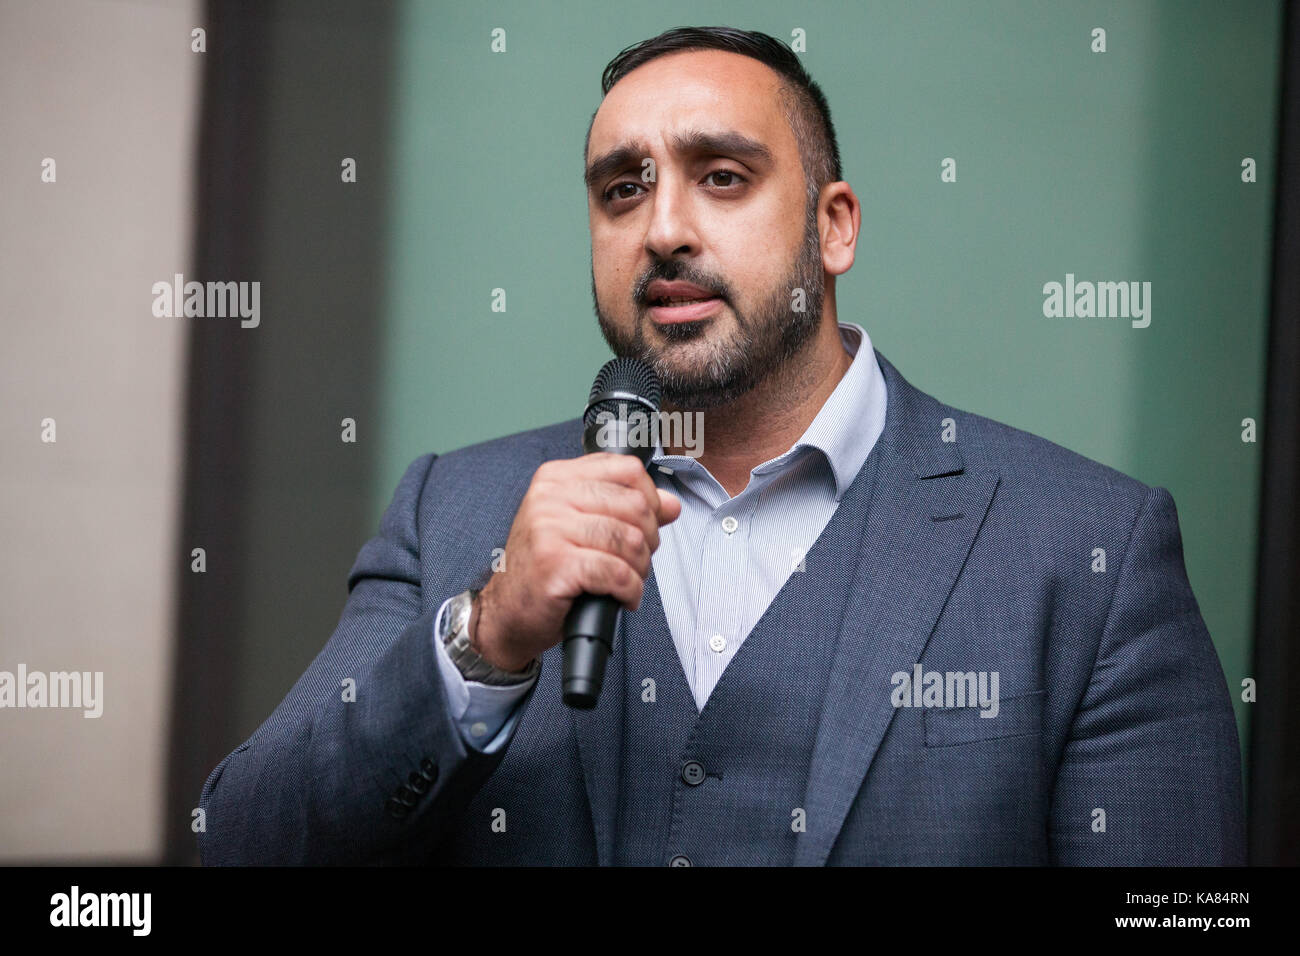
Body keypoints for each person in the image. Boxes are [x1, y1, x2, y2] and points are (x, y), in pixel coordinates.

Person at [197, 26, 1245, 866]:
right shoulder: (456, 511)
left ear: (833, 228)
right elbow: (244, 841)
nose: (662, 229)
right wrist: (484, 637)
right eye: (622, 190)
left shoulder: (1088, 550)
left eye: (724, 177)